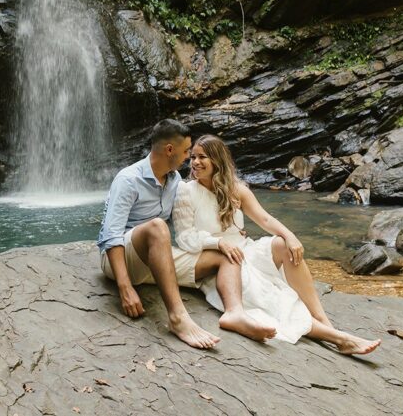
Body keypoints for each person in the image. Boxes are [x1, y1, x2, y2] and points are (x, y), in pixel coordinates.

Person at [173, 134, 381, 355]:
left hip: (245, 248)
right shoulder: (186, 191)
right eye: (193, 157)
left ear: (217, 159)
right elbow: (185, 238)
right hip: (220, 259)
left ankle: (321, 317)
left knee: (283, 245)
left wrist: (291, 236)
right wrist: (218, 243)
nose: (195, 163)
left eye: (202, 157)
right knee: (272, 297)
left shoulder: (236, 189)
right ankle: (340, 339)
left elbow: (264, 220)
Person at [97, 119, 277, 349]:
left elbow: (190, 219)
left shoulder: (174, 182)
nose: (188, 160)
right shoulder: (128, 179)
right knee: (158, 227)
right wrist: (125, 287)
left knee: (227, 254)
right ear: (169, 150)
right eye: (185, 153)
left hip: (153, 257)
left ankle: (235, 313)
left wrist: (228, 233)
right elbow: (110, 235)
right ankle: (178, 318)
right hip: (121, 260)